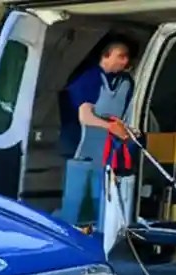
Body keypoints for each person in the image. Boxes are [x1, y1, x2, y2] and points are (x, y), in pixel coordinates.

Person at [57, 38, 135, 231]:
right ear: (106, 56)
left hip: (107, 153)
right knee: (75, 201)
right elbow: (85, 116)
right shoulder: (90, 79)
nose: (124, 62)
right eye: (120, 57)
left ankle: (99, 235)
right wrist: (110, 127)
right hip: (80, 149)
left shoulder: (125, 83)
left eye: (126, 58)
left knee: (101, 200)